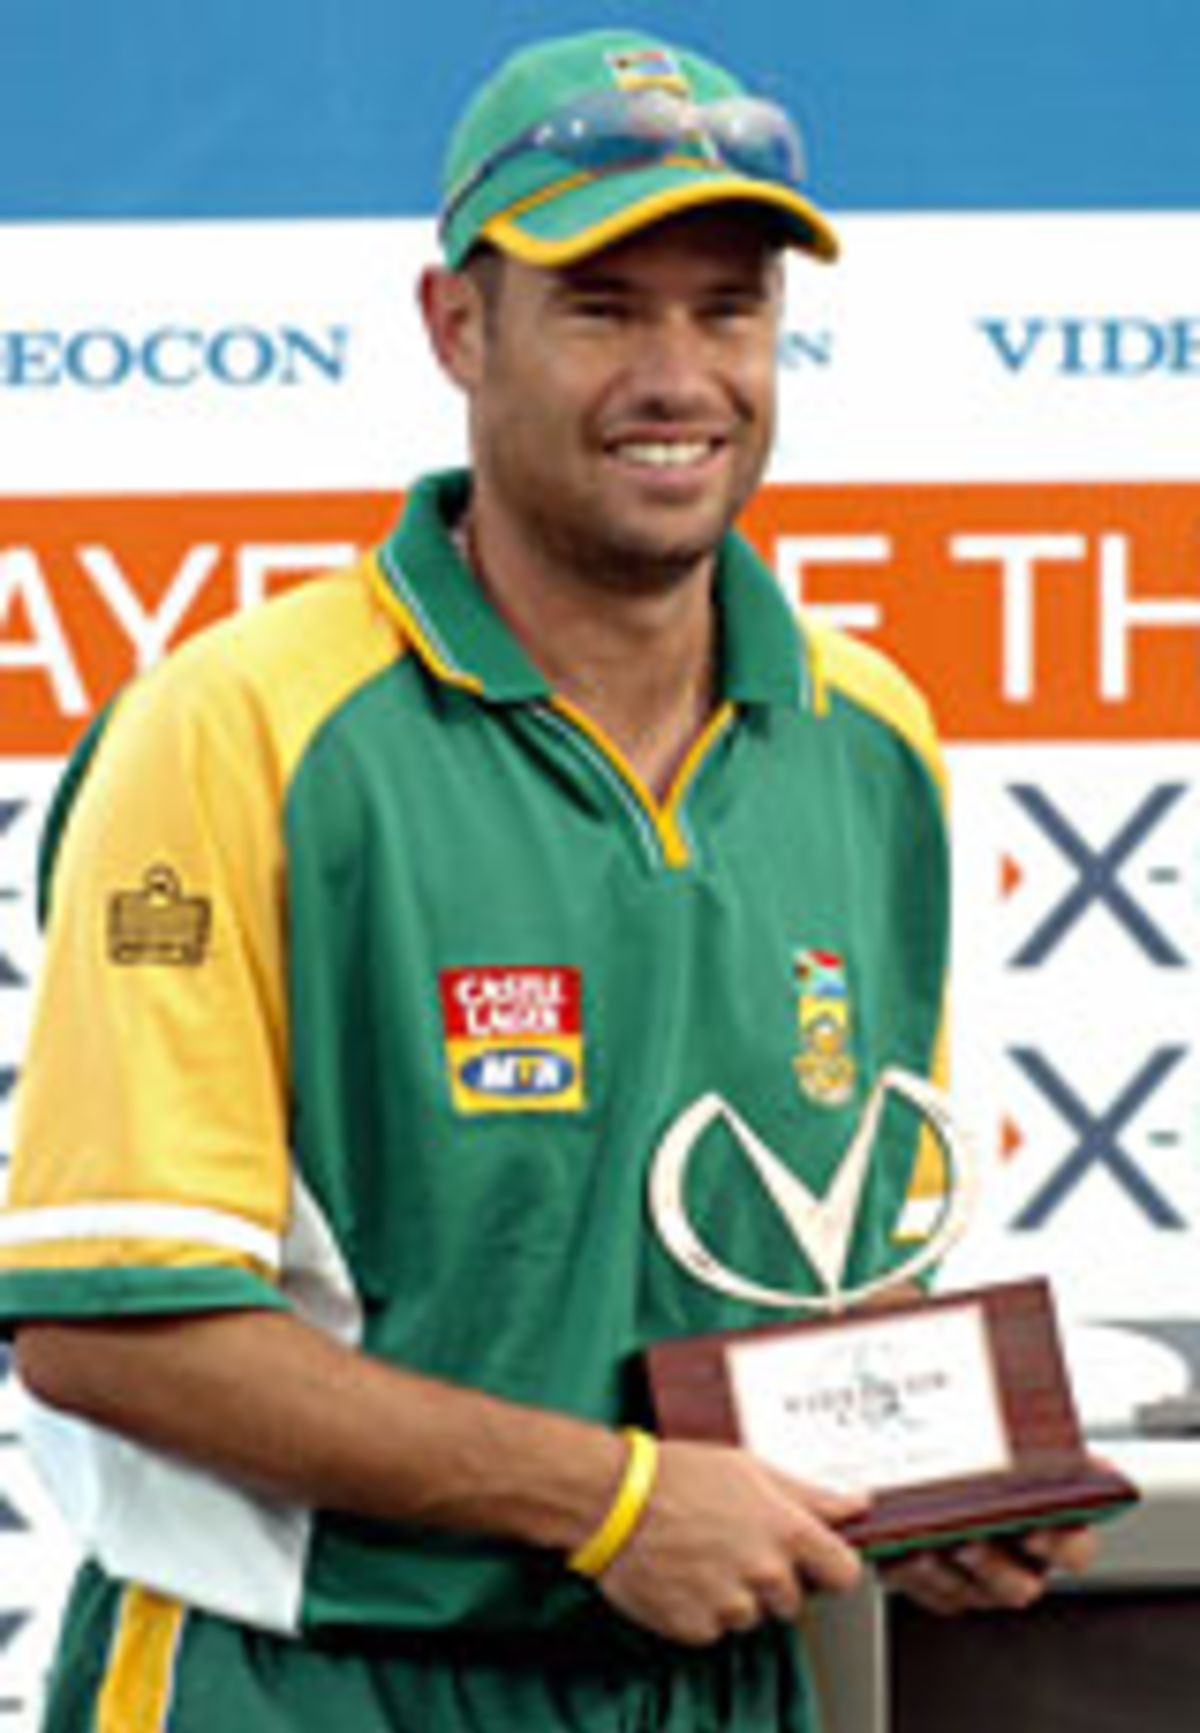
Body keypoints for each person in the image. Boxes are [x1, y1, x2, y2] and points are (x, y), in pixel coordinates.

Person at [0, 26, 1093, 1733]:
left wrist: (930, 1489)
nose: (679, 375)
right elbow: (109, 1325)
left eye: (726, 309)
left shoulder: (867, 734)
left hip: (710, 1687)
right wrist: (608, 1500)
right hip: (306, 1688)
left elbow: (829, 1271)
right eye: (603, 309)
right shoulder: (239, 730)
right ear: (458, 326)